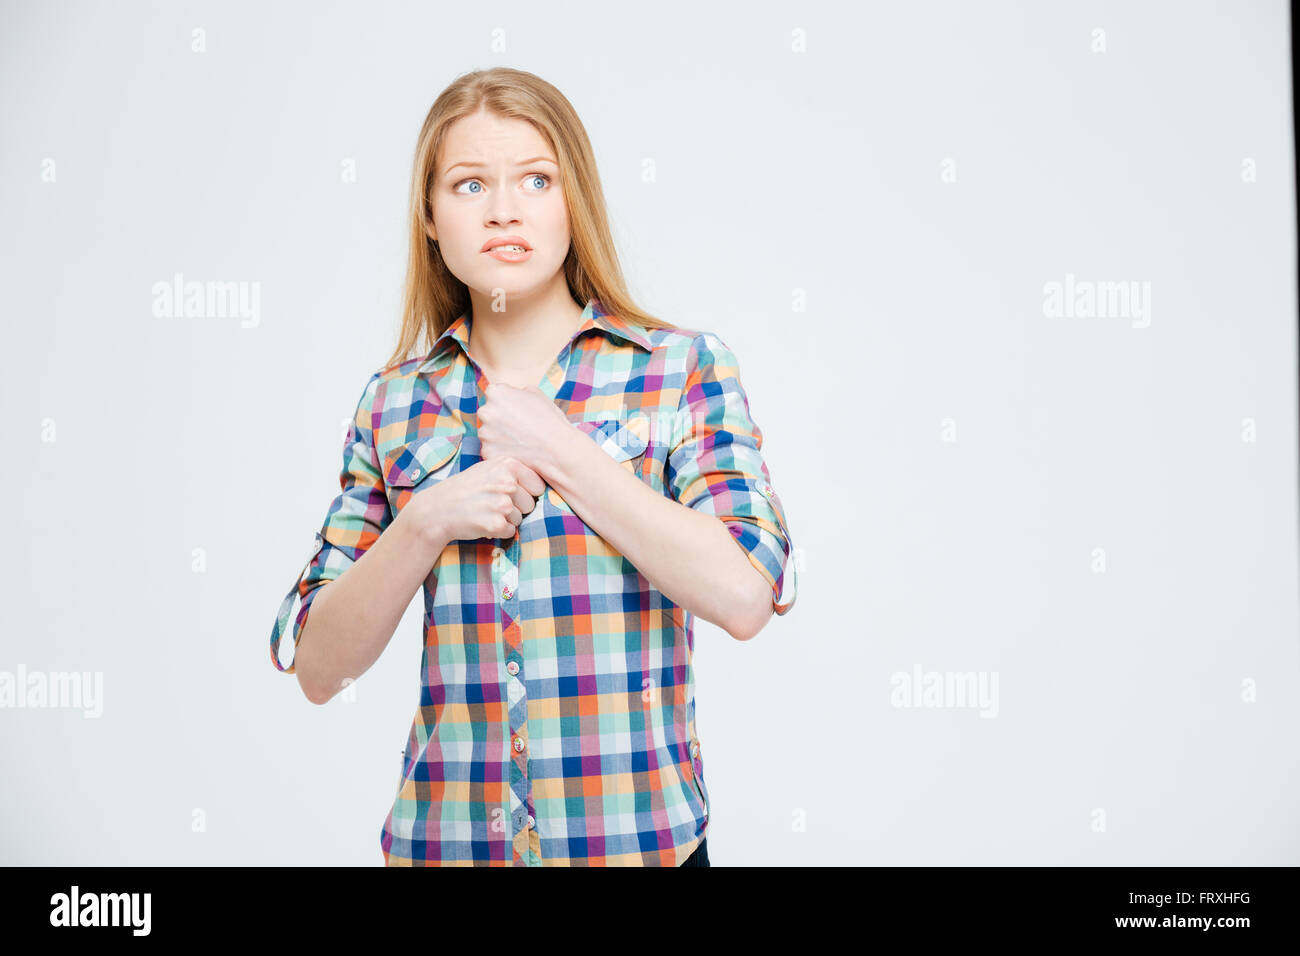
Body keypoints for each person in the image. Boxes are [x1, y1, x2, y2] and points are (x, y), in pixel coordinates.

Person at [267, 67, 797, 866]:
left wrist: (560, 449)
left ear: (572, 202)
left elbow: (746, 592)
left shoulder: (680, 370)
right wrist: (426, 521)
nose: (504, 209)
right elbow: (315, 665)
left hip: (638, 850)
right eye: (470, 183)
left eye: (536, 180)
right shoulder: (393, 403)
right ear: (431, 218)